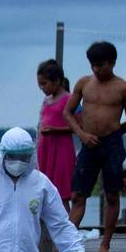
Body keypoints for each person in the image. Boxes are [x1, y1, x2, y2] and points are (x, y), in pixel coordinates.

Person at [63, 41, 126, 252]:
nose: (96, 69)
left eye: (100, 65)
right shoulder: (83, 84)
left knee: (112, 195)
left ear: (112, 63)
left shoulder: (123, 88)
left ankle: (105, 245)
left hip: (111, 146)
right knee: (78, 195)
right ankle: (67, 243)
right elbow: (68, 113)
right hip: (88, 144)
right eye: (93, 65)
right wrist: (82, 134)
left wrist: (114, 132)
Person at [35, 59, 76, 211]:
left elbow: (78, 126)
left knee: (62, 193)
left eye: (44, 83)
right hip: (46, 150)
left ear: (57, 81)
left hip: (61, 151)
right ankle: (49, 232)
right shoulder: (46, 101)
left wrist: (55, 130)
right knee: (46, 191)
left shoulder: (69, 99)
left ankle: (67, 229)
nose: (42, 87)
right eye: (40, 84)